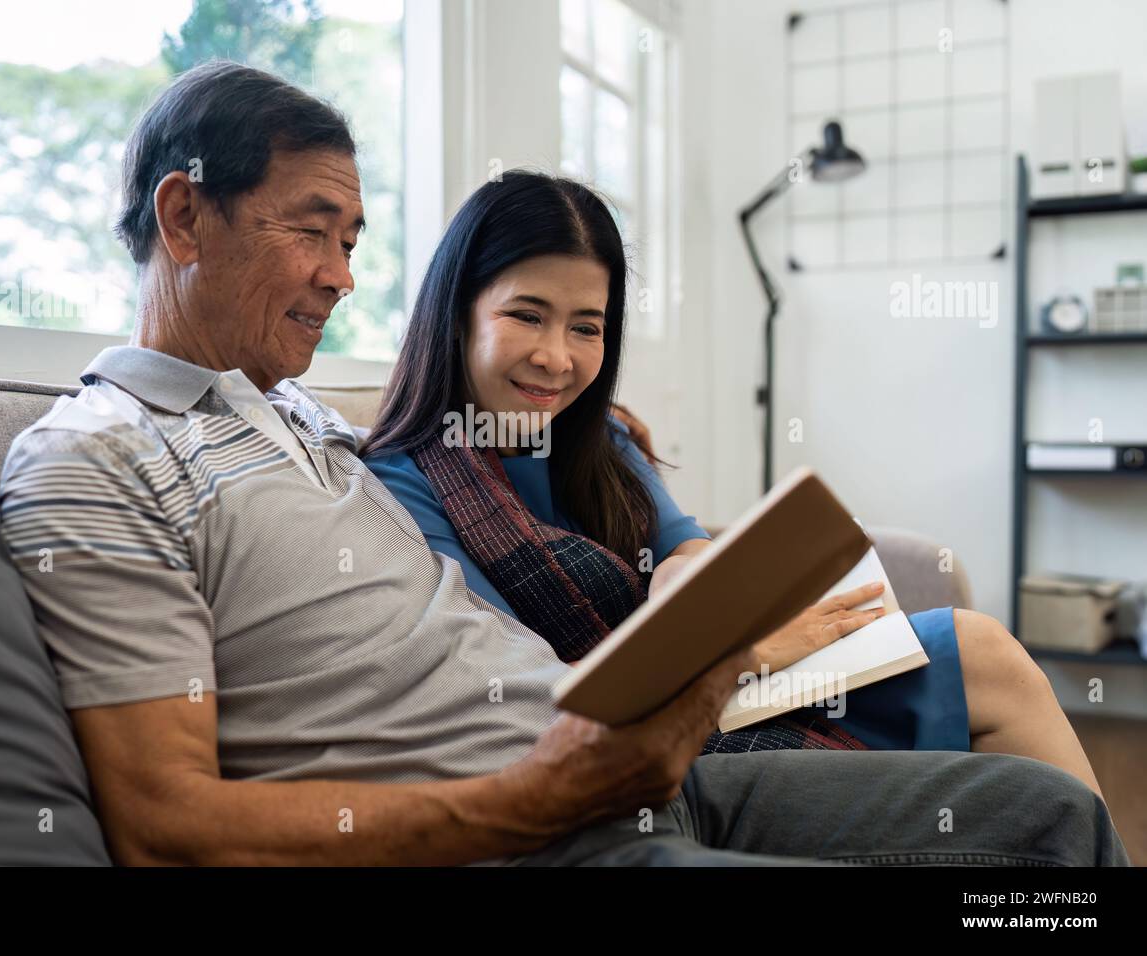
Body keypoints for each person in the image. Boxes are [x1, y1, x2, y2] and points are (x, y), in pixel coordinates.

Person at [0, 60, 1129, 866]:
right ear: (186, 215)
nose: (342, 276)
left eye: (353, 240)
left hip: (652, 776)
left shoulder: (311, 420)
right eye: (313, 227)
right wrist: (521, 802)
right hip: (536, 829)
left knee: (1048, 819)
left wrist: (592, 439)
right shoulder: (95, 459)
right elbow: (167, 823)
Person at [359, 172, 1108, 798]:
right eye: (528, 316)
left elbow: (682, 545)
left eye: (587, 327)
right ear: (458, 315)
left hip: (730, 678)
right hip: (638, 730)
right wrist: (739, 656)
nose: (558, 358)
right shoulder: (403, 481)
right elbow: (520, 685)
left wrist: (685, 596)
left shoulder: (601, 437)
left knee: (983, 649)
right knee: (1018, 777)